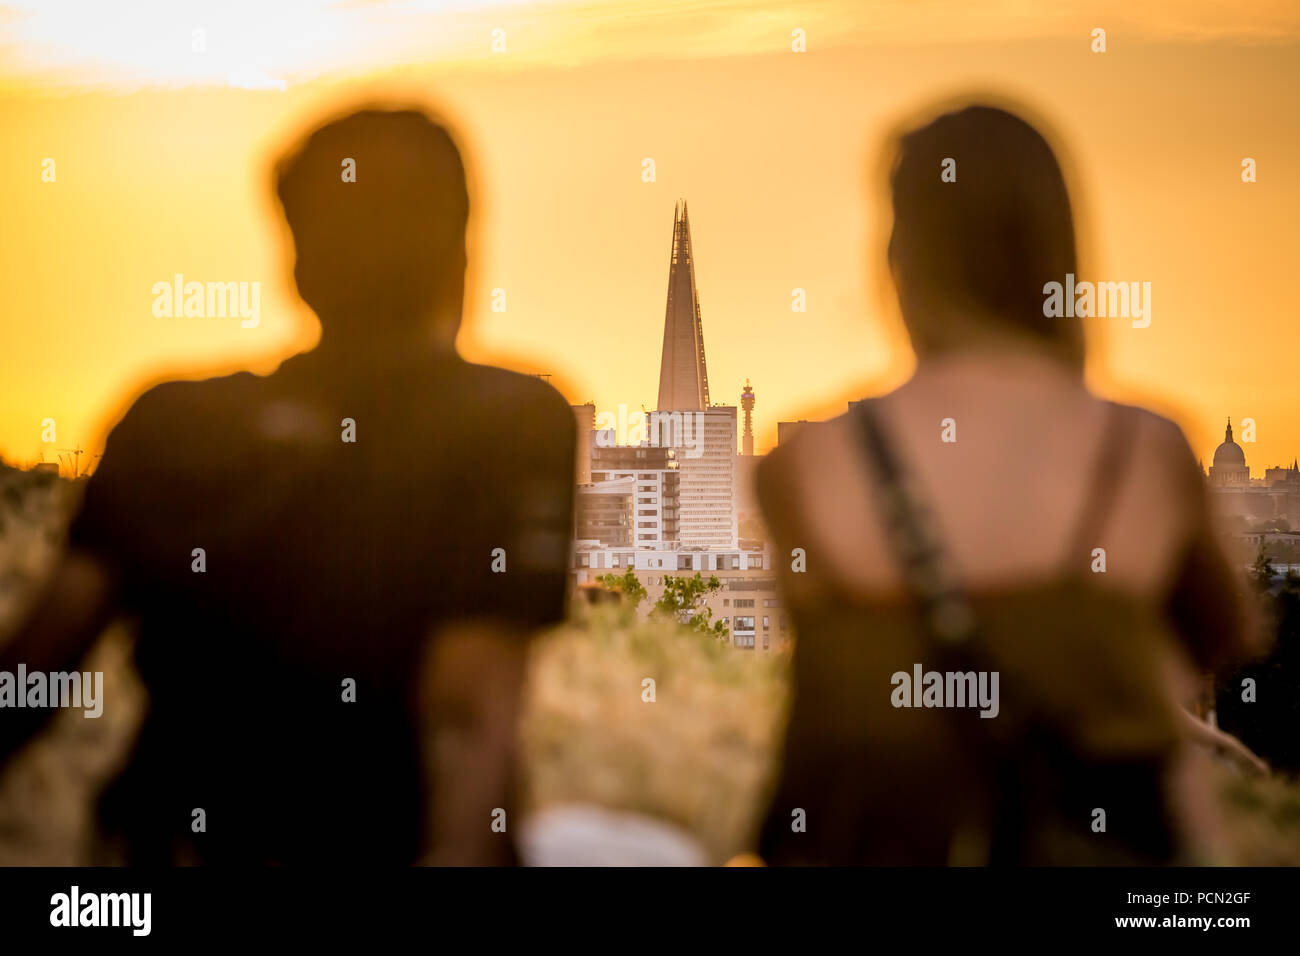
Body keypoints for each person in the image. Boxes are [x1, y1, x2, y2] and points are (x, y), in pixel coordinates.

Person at [0, 106, 576, 865]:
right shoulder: (508, 422)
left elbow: (28, 676)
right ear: (460, 256)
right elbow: (465, 718)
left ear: (297, 265)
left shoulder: (170, 421)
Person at [755, 102, 1259, 865]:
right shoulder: (1144, 454)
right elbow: (1212, 643)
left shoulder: (807, 464)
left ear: (902, 259)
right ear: (1055, 254)